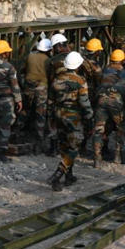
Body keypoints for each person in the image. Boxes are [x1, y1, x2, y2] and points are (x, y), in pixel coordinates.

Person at [47, 51, 93, 191]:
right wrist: (90, 118)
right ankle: (59, 173)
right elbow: (84, 103)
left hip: (59, 115)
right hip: (73, 117)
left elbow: (50, 101)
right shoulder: (80, 81)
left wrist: (51, 118)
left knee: (64, 145)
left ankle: (69, 176)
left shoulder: (56, 80)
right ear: (78, 65)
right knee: (74, 147)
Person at [92, 50, 125, 165]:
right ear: (122, 60)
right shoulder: (124, 73)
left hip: (101, 100)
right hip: (116, 101)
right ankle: (117, 156)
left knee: (99, 128)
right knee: (120, 128)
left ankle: (97, 158)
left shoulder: (104, 70)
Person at [21, 38, 51, 154]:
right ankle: (38, 144)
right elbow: (50, 75)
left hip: (29, 86)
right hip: (42, 88)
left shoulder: (30, 56)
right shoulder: (48, 60)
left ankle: (17, 133)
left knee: (25, 110)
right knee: (40, 114)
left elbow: (23, 70)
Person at [45, 33, 70, 156]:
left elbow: (50, 78)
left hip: (56, 93)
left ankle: (54, 148)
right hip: (72, 93)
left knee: (53, 119)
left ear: (58, 46)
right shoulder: (75, 57)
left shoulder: (52, 61)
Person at [79, 38, 104, 157]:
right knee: (88, 120)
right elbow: (99, 83)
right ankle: (83, 146)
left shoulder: (80, 60)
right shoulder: (96, 68)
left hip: (76, 92)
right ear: (96, 52)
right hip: (89, 95)